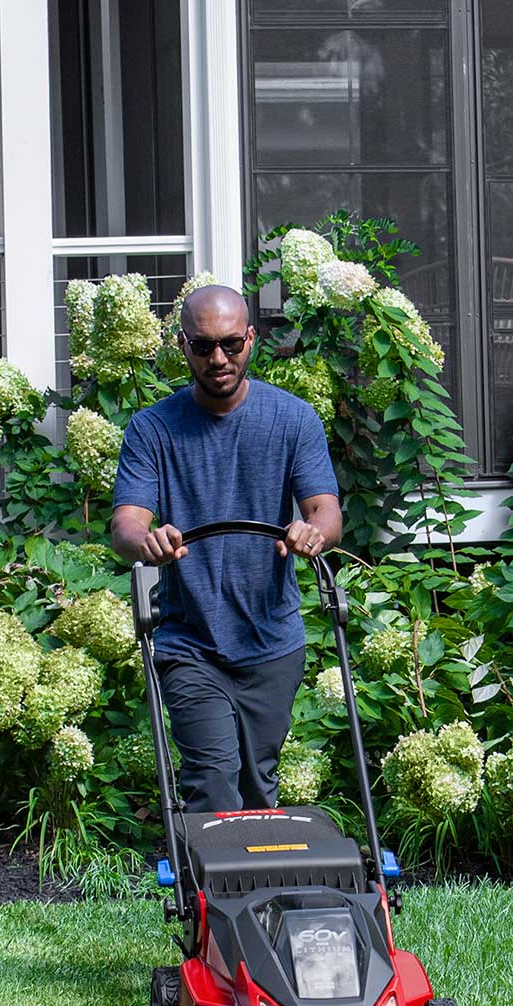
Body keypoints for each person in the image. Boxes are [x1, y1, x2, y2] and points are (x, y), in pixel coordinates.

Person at [109, 283, 341, 813]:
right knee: (213, 781)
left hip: (272, 639)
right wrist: (148, 540)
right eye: (203, 345)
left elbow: (326, 512)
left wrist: (313, 532)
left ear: (252, 340)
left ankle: (261, 894)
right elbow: (126, 524)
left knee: (259, 783)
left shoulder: (293, 419)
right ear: (182, 346)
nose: (218, 358)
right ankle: (211, 896)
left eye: (232, 344)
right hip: (189, 642)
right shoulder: (153, 429)